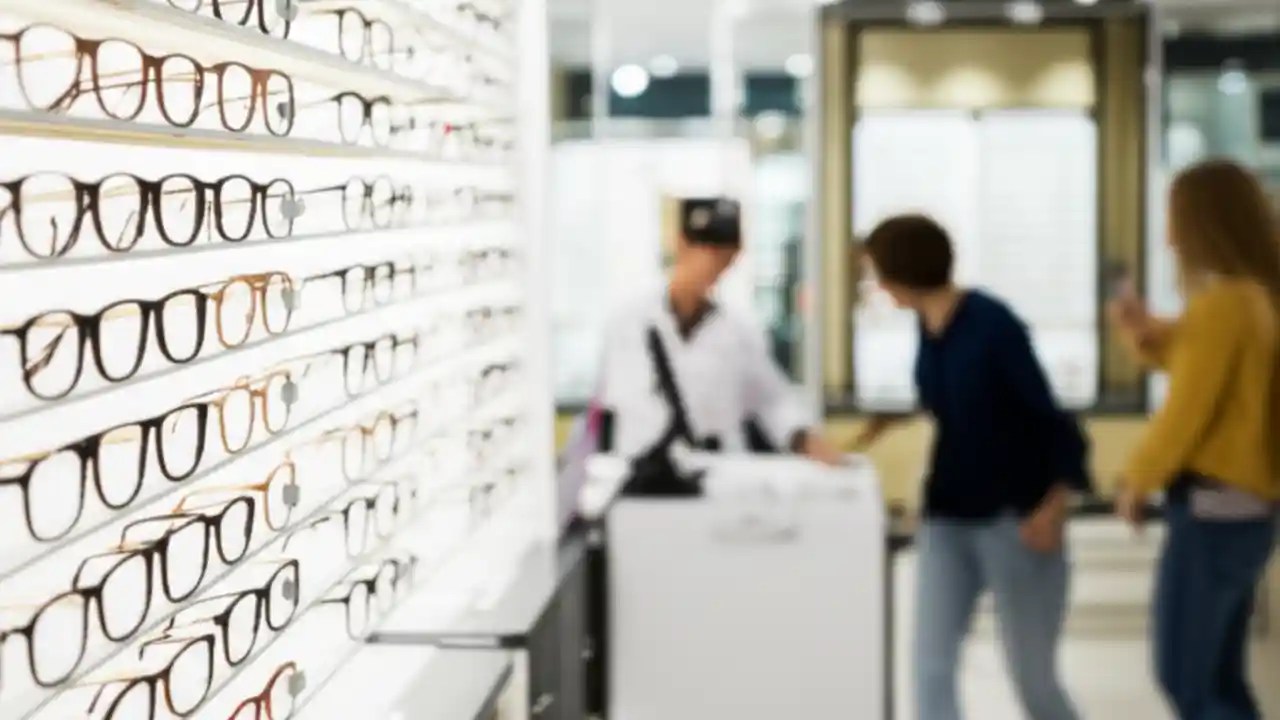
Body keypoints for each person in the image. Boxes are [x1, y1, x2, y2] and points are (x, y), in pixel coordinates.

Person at [855, 215, 1087, 720]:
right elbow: (957, 401)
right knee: (929, 670)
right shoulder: (927, 325)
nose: (875, 284)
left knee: (1034, 681)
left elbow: (1046, 416)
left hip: (1017, 519)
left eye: (877, 272)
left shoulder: (992, 324)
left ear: (901, 272)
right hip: (948, 517)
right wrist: (890, 421)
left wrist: (1055, 505)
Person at [1111, 160, 1280, 720]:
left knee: (1188, 679)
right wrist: (1146, 335)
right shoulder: (1252, 298)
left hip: (1212, 509)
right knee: (1220, 680)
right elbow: (1200, 365)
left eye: (1172, 215)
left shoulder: (1224, 304)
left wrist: (1137, 479)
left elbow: (1187, 410)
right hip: (1247, 509)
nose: (1167, 233)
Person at [594, 197, 841, 465]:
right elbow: (610, 405)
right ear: (680, 243)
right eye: (704, 249)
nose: (711, 263)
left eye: (723, 255)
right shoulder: (628, 321)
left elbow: (773, 401)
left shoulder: (740, 330)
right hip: (643, 476)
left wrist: (803, 439)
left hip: (719, 472)